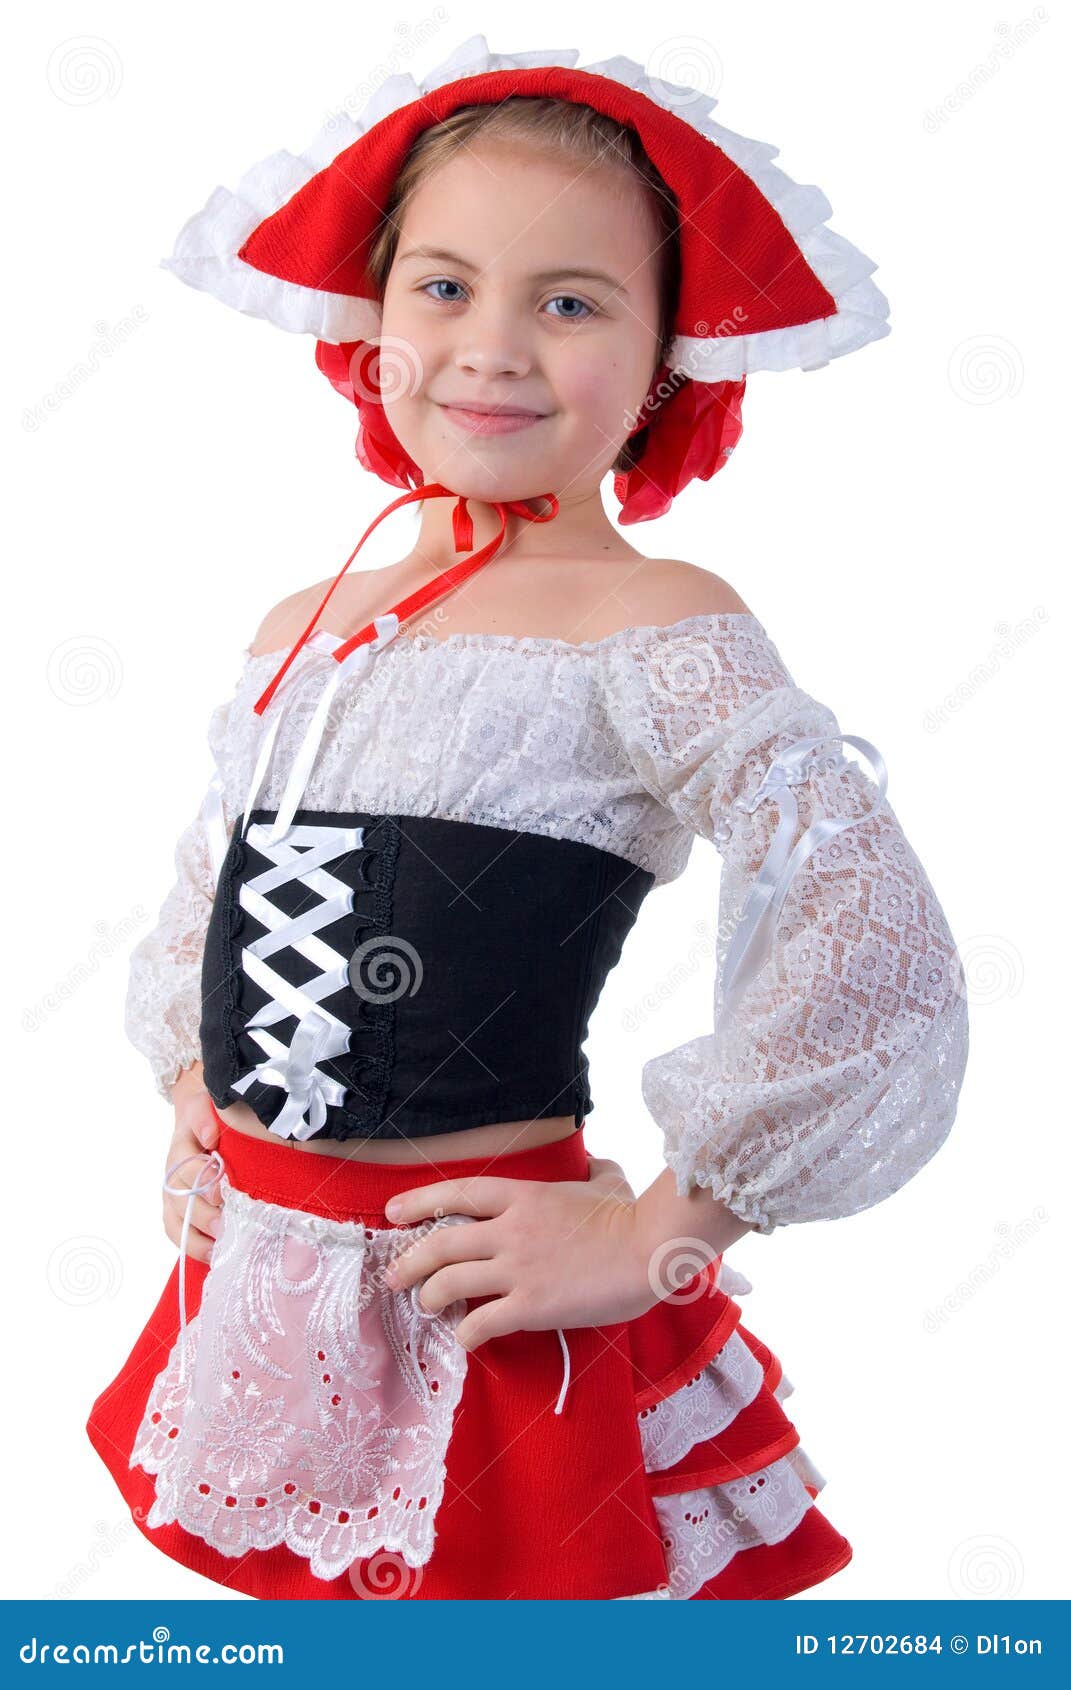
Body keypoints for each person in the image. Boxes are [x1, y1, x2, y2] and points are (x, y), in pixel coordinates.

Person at [85, 35, 969, 1601]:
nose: (493, 344)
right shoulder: (311, 616)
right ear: (372, 326)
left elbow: (869, 930)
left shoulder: (660, 625)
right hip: (269, 1290)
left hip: (498, 1319)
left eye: (570, 301)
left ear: (663, 363)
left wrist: (653, 1233)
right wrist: (190, 1084)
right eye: (444, 287)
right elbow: (206, 885)